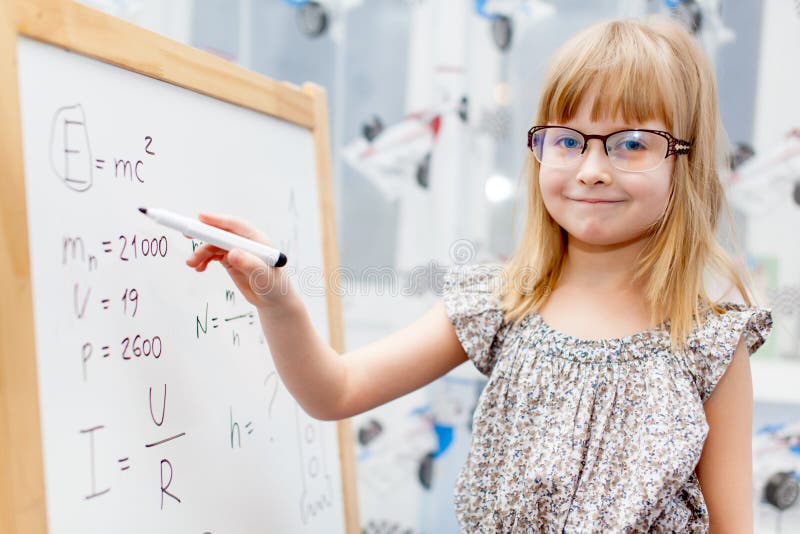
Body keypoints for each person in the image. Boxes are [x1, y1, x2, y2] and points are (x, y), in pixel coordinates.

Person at [186, 16, 772, 533]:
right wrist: (276, 296)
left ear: (685, 162)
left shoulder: (709, 346)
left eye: (631, 144)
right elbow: (334, 390)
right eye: (568, 140)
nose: (592, 169)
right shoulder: (503, 302)